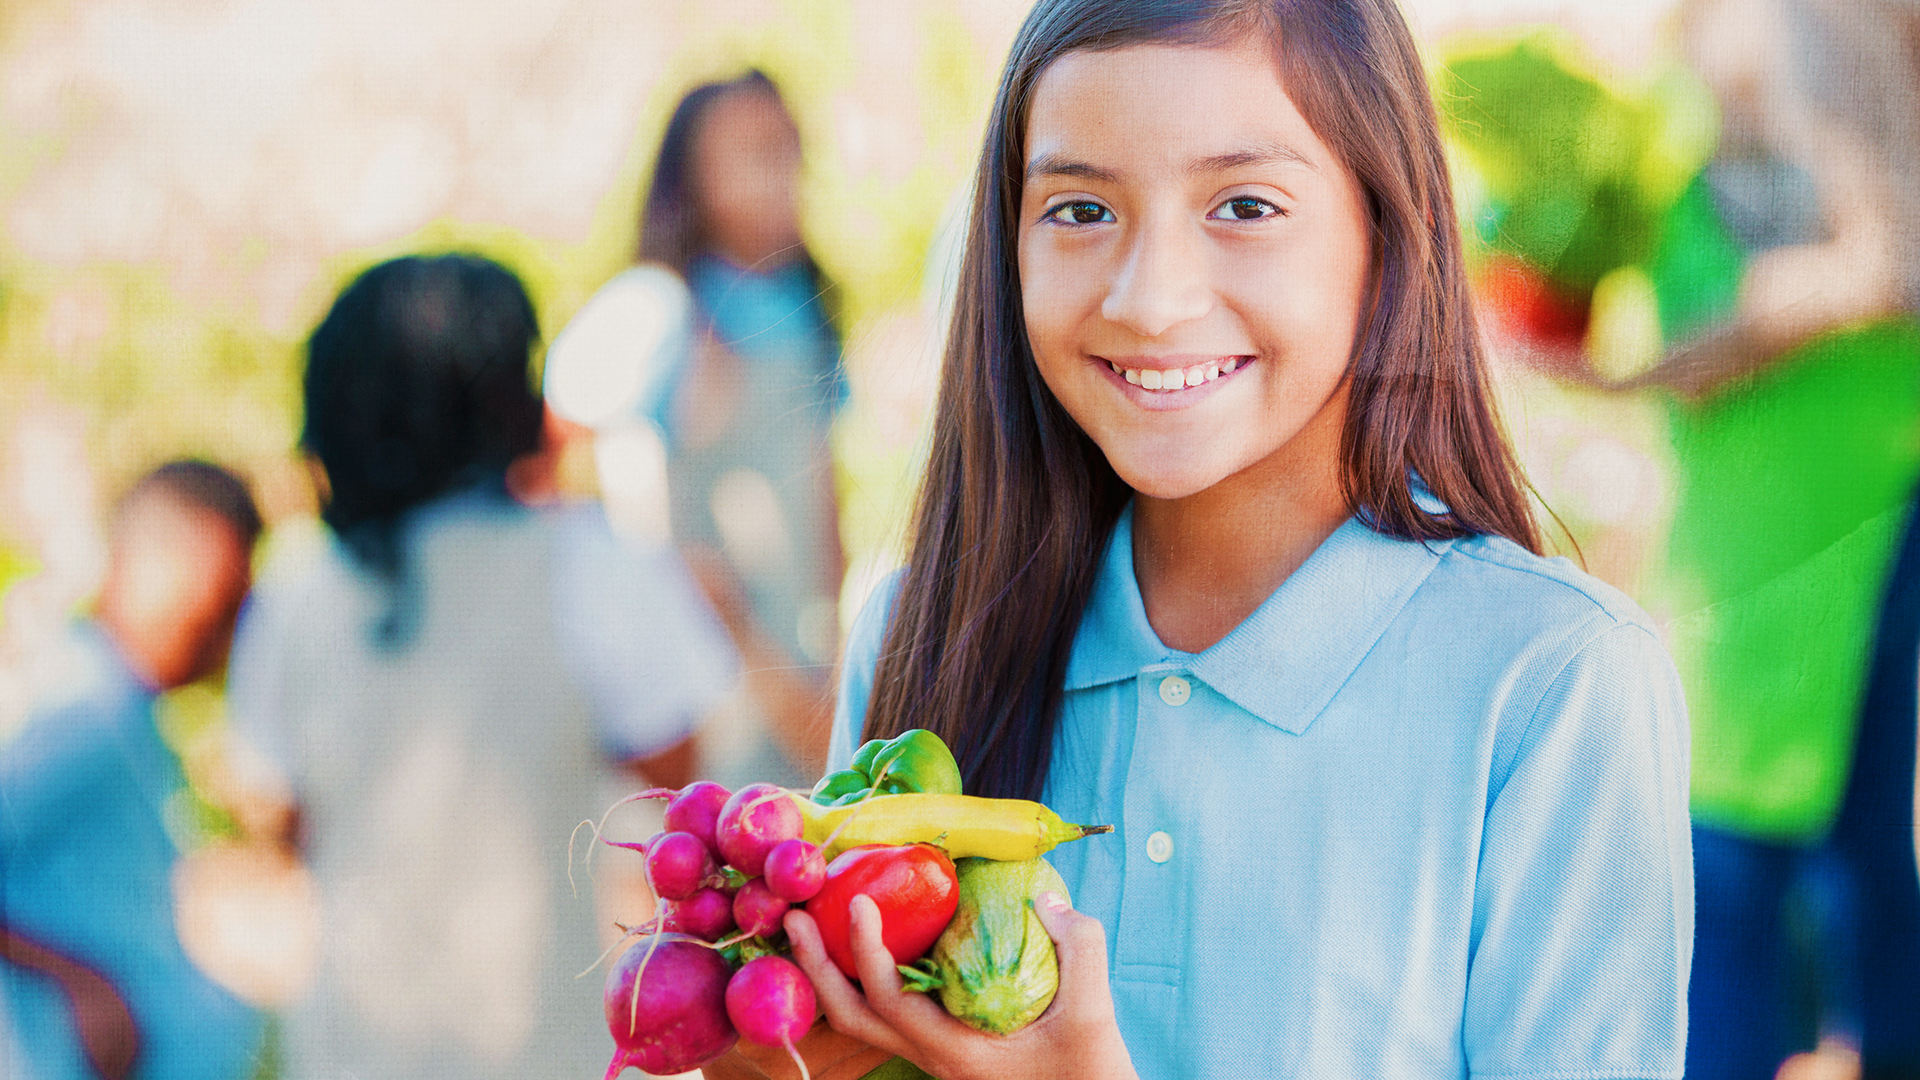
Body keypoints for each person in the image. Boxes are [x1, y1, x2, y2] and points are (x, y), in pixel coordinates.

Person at [711, 1, 1694, 1077]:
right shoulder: (922, 627)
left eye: (1243, 204)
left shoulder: (1550, 682)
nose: (1151, 301)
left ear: (1388, 230)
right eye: (1081, 209)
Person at [225, 253, 738, 1080]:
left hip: (347, 1051)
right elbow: (682, 790)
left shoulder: (296, 597)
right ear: (506, 400)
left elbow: (278, 812)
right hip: (540, 1047)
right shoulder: (588, 565)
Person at [0, 460, 266, 1080]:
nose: (230, 630)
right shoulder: (83, 711)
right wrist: (79, 981)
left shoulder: (123, 706)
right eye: (222, 599)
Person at [633, 70, 848, 786]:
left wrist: (838, 636)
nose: (779, 175)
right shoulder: (667, 313)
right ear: (690, 181)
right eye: (751, 154)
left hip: (799, 646)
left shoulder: (806, 308)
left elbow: (824, 486)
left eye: (786, 151)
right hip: (709, 660)